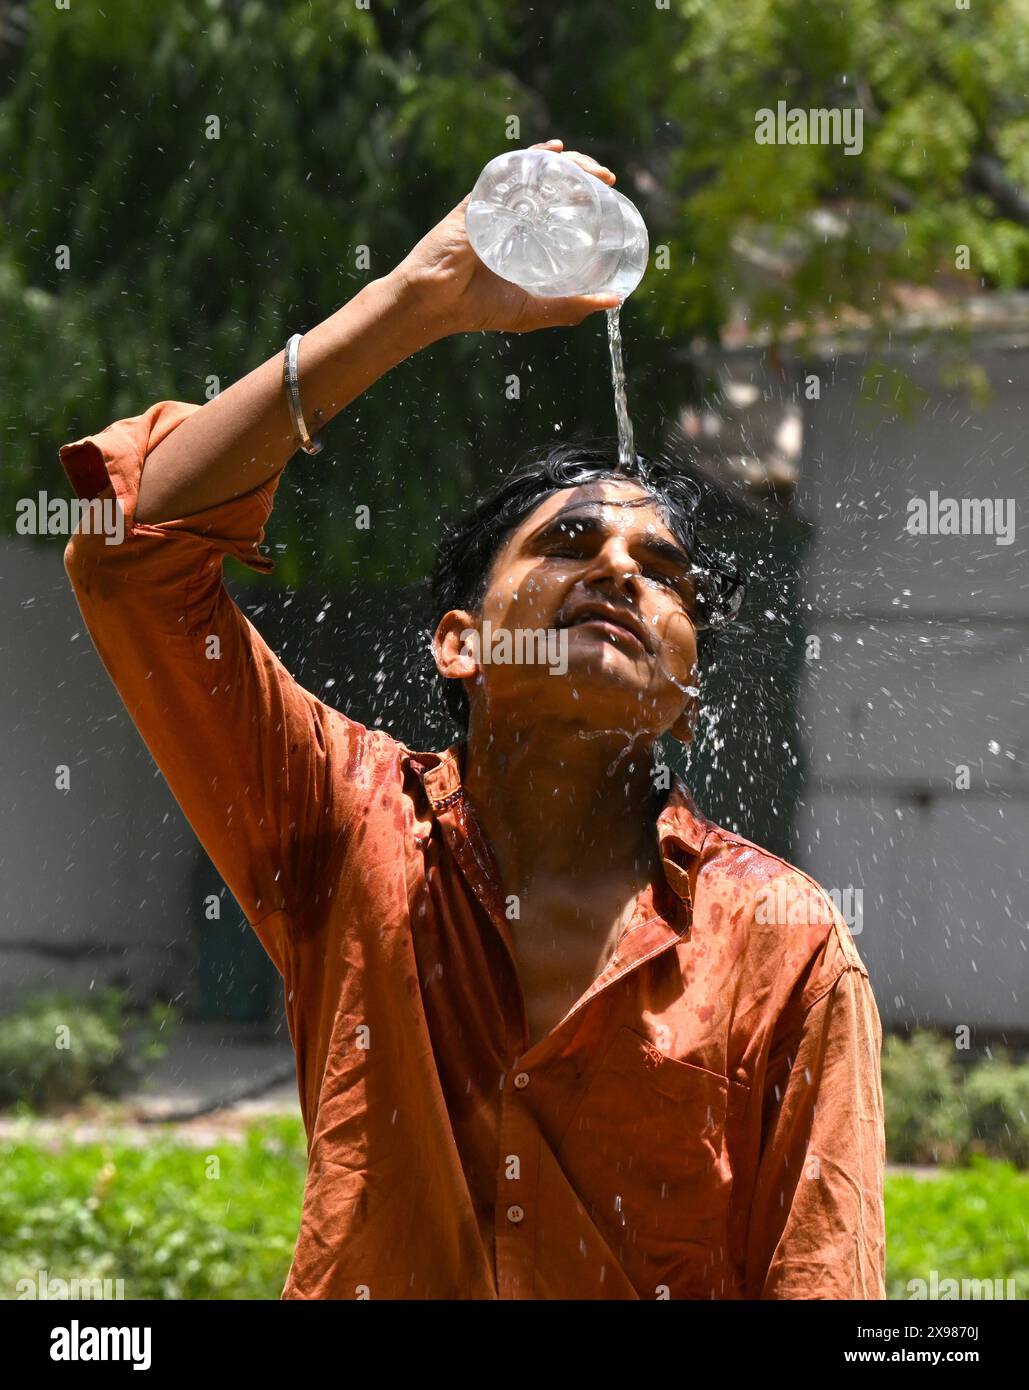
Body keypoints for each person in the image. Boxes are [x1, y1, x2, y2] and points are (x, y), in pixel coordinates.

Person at [60, 138, 886, 1300]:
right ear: (459, 642)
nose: (617, 568)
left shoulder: (780, 943)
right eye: (566, 541)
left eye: (664, 570)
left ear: (687, 686)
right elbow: (128, 554)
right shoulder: (347, 830)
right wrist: (415, 301)